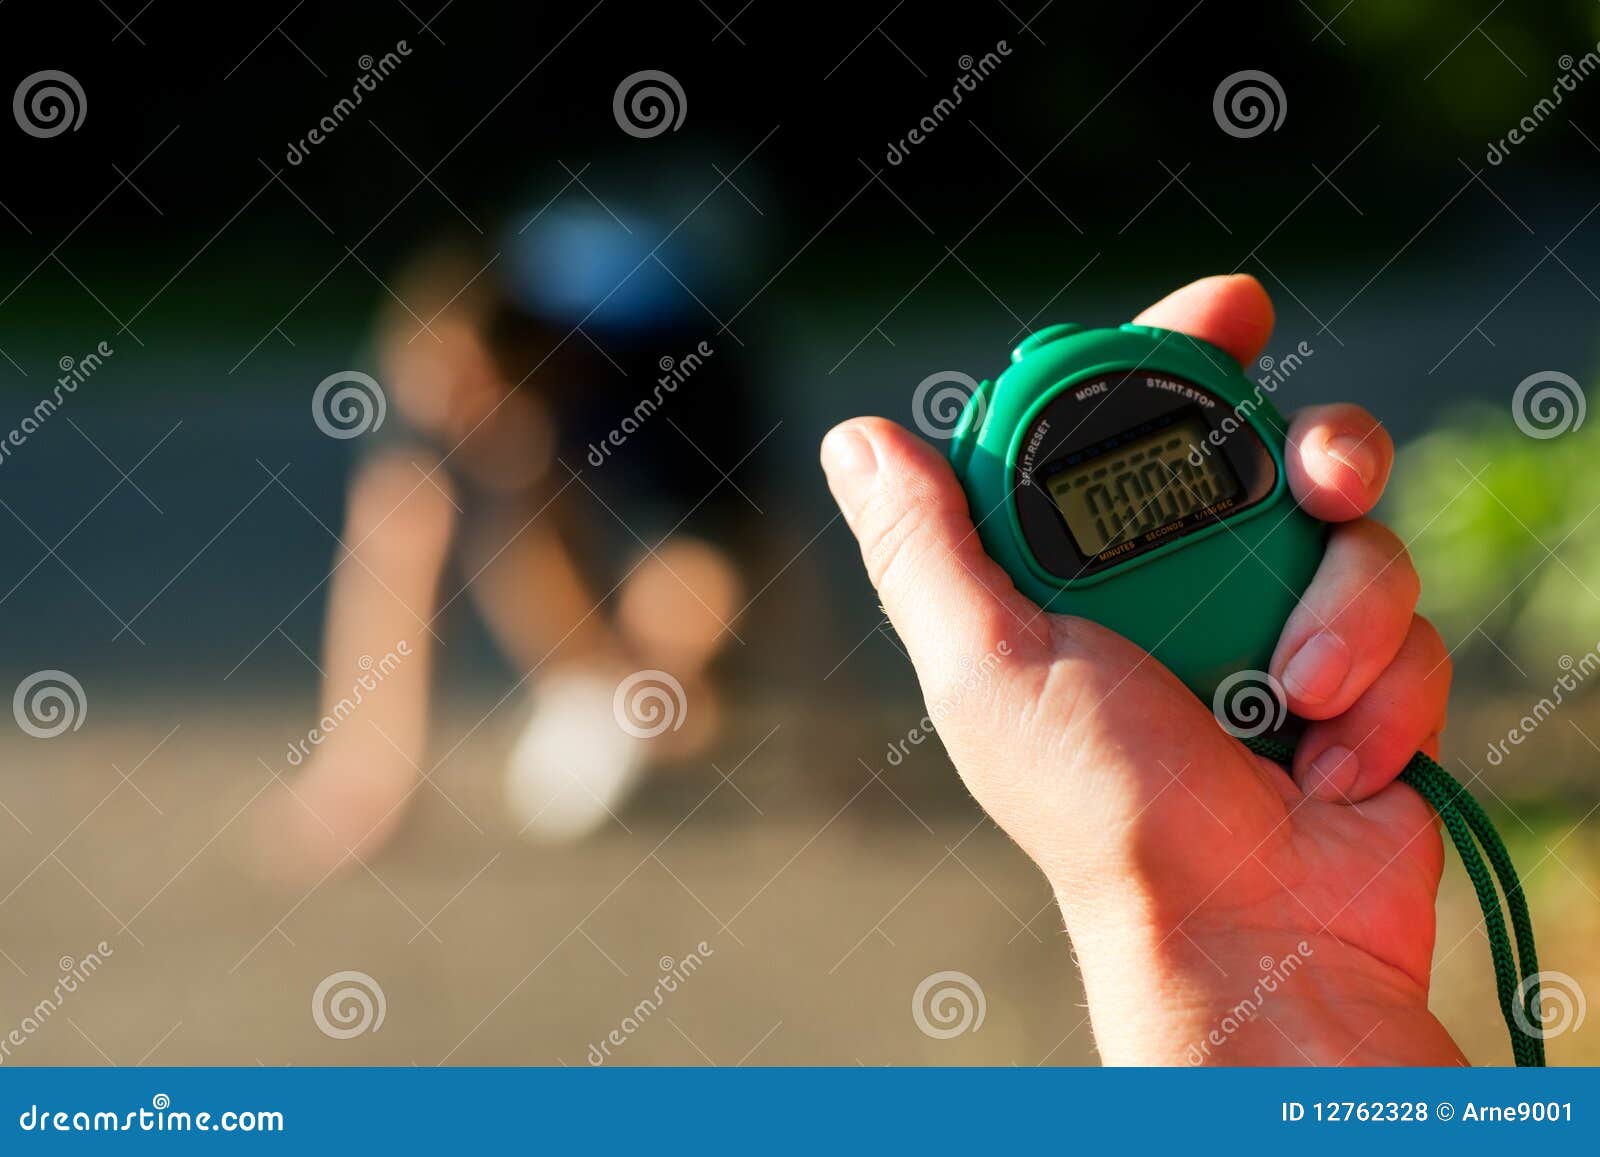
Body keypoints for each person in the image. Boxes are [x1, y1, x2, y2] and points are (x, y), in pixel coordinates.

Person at [820, 274, 1463, 1065]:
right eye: (1122, 493)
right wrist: (1232, 961)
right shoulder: (1174, 378)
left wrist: (1262, 971)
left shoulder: (1077, 416)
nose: (1149, 496)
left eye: (1165, 473)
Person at [253, 238, 746, 886]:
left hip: (677, 337)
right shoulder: (423, 383)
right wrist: (368, 769)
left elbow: (734, 551)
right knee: (451, 505)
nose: (446, 418)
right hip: (542, 390)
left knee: (690, 601)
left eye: (473, 401)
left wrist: (661, 677)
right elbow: (392, 566)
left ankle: (651, 692)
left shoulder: (665, 364)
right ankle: (589, 681)